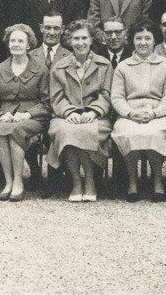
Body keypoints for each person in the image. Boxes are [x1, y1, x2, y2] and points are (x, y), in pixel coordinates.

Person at [111, 20, 166, 202]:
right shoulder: (123, 66)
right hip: (130, 114)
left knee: (154, 132)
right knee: (129, 132)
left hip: (158, 114)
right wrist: (130, 113)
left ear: (155, 40)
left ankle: (157, 180)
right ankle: (132, 181)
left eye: (147, 38)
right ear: (131, 41)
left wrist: (155, 113)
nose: (143, 42)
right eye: (138, 38)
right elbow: (117, 97)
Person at [47, 20, 113, 202]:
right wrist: (70, 113)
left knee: (84, 130)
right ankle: (77, 181)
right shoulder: (59, 66)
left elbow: (107, 95)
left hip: (96, 116)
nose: (80, 42)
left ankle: (90, 180)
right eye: (76, 38)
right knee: (68, 130)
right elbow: (56, 98)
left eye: (84, 38)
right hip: (65, 115)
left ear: (92, 40)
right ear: (69, 40)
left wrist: (93, 112)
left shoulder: (104, 64)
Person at [0, 23, 51, 202]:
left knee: (16, 130)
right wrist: (0, 115)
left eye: (20, 41)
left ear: (29, 45)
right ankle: (8, 182)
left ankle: (18, 182)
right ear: (8, 44)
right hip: (6, 116)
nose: (16, 44)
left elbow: (46, 103)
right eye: (12, 40)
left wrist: (28, 114)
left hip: (33, 117)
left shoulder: (40, 69)